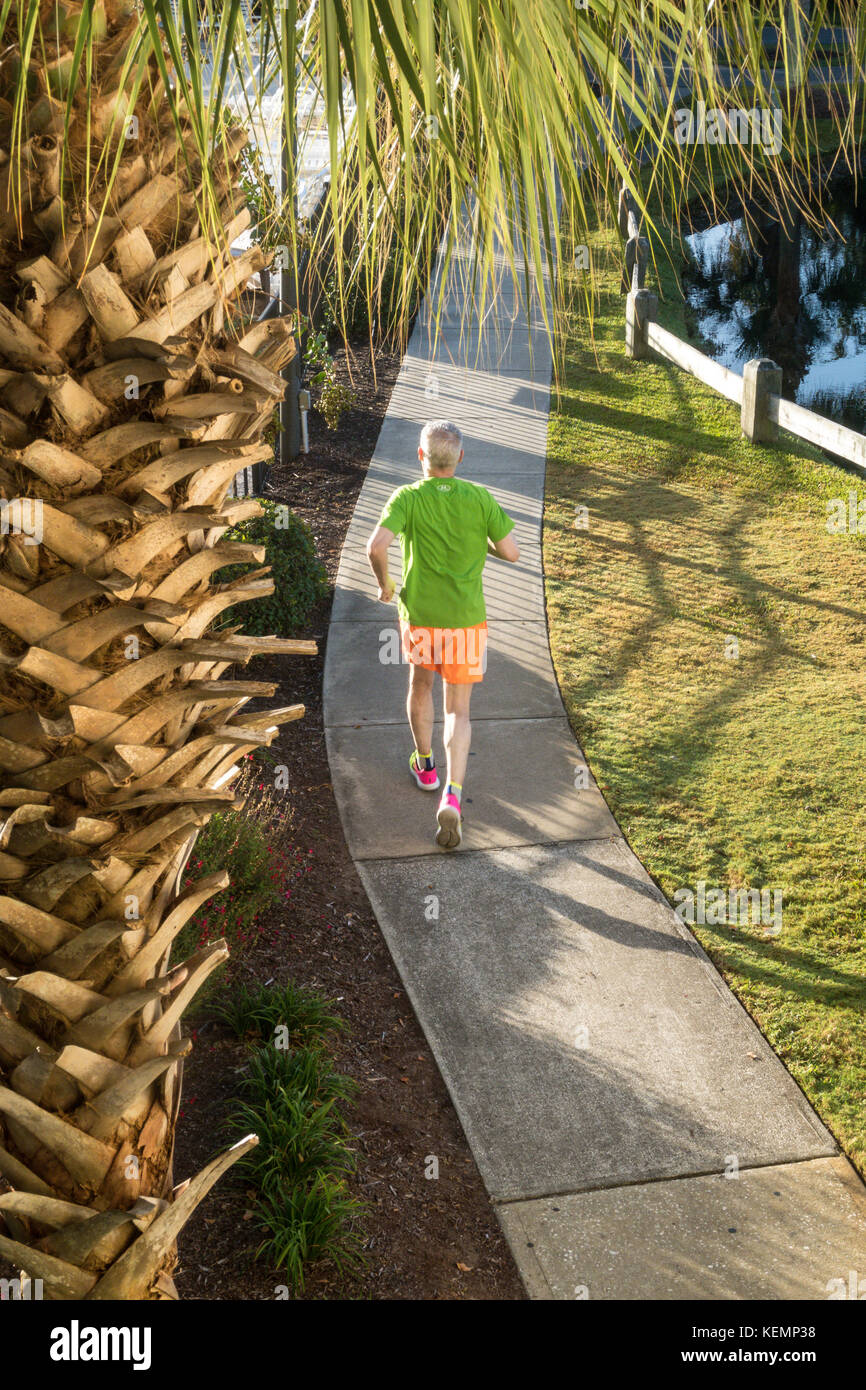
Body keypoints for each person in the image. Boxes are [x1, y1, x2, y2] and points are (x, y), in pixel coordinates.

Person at [366, 420, 520, 849]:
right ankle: (452, 792)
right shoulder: (480, 499)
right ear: (460, 459)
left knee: (420, 685)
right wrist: (482, 544)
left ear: (421, 457)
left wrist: (384, 586)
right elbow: (511, 552)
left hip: (421, 615)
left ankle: (426, 765)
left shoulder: (408, 498)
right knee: (460, 711)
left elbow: (375, 547)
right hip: (467, 620)